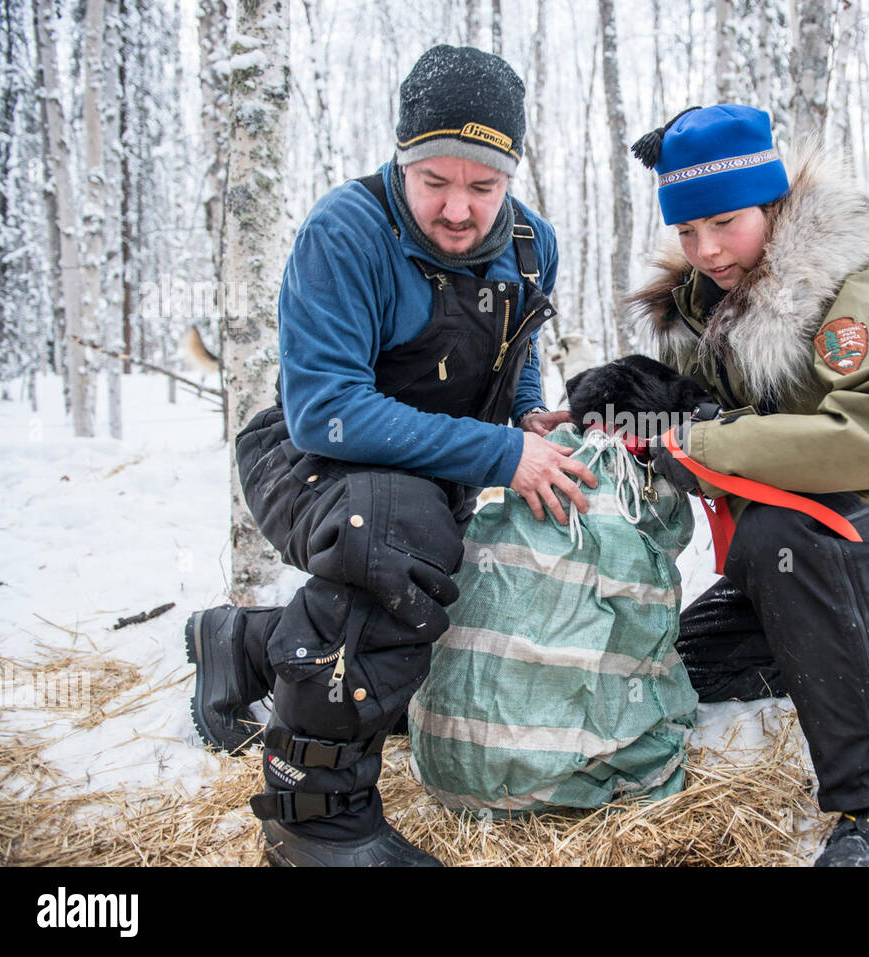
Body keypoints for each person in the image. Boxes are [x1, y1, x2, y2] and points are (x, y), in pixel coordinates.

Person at [183, 45, 596, 867]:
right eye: (434, 180)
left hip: (431, 469)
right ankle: (315, 812)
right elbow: (328, 411)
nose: (457, 208)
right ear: (401, 160)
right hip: (306, 454)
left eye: (483, 185)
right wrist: (498, 452)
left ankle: (246, 646)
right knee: (397, 541)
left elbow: (518, 357)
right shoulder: (345, 232)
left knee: (437, 596)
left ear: (511, 176)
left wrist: (527, 421)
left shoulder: (529, 244)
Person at [630, 105, 869, 866]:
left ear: (770, 204)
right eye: (688, 232)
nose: (707, 249)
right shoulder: (700, 312)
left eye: (725, 222)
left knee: (786, 536)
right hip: (815, 548)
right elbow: (679, 411)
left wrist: (705, 445)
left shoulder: (842, 290)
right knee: (686, 665)